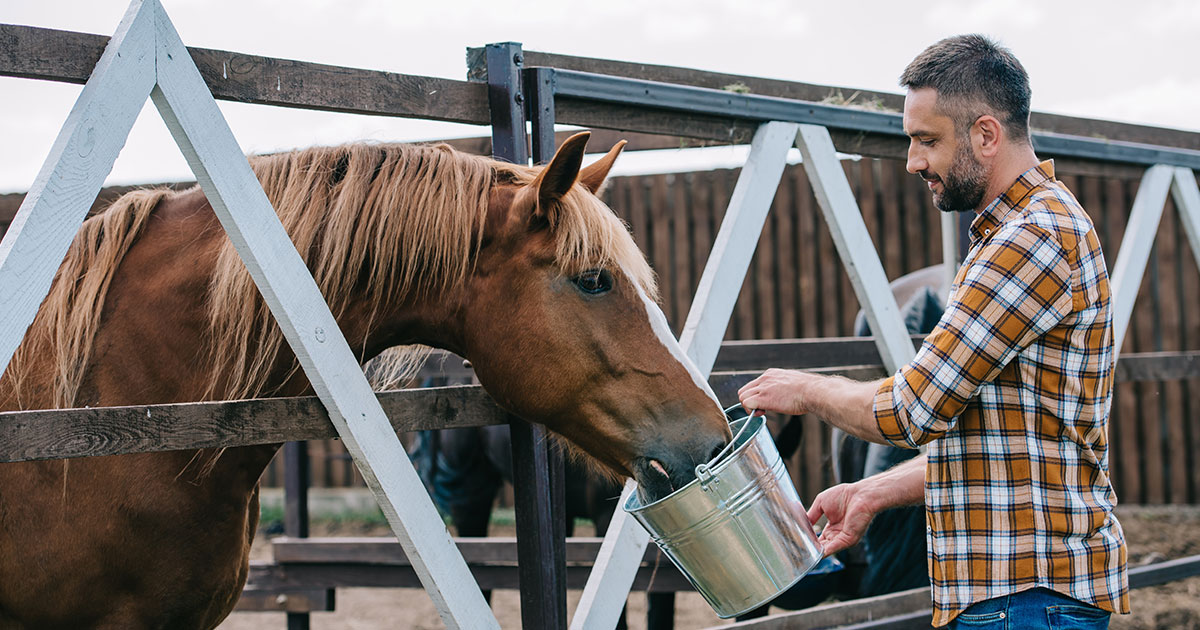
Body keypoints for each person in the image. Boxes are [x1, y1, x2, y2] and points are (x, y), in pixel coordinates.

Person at [739, 34, 1128, 629]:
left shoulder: (1030, 240)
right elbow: (1002, 444)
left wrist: (806, 389)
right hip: (1024, 596)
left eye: (927, 140)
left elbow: (911, 410)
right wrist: (873, 492)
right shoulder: (1024, 231)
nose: (913, 161)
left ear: (986, 135)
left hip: (1023, 599)